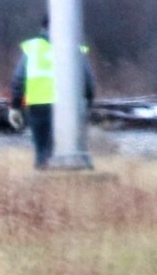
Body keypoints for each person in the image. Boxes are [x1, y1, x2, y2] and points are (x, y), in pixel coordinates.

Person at [8, 18, 95, 169]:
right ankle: (70, 181)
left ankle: (44, 180)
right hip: (69, 107)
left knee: (42, 150)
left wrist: (15, 106)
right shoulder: (74, 47)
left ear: (43, 28)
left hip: (39, 106)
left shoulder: (32, 48)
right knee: (70, 147)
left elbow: (19, 79)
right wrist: (88, 101)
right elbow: (88, 79)